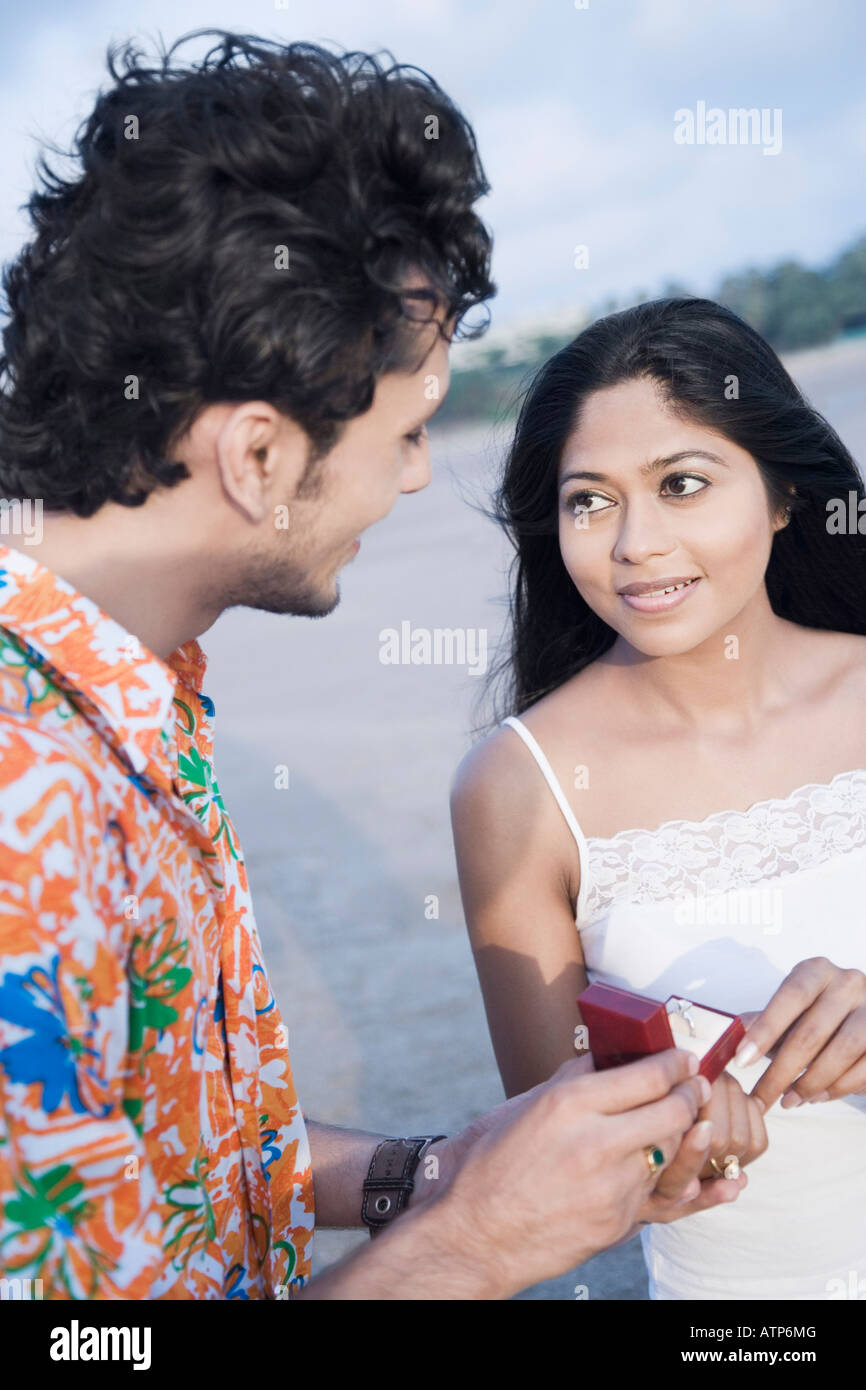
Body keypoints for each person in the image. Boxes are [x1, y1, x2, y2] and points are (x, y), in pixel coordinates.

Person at [0, 31, 744, 1301]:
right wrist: (473, 1244)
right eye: (402, 434)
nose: (413, 477)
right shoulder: (25, 799)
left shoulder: (135, 695)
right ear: (257, 457)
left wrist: (439, 1171)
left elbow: (171, 1161)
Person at [450, 296, 866, 1300]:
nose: (633, 541)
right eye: (588, 499)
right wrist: (668, 1139)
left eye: (681, 484)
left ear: (777, 494)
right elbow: (559, 1145)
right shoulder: (515, 785)